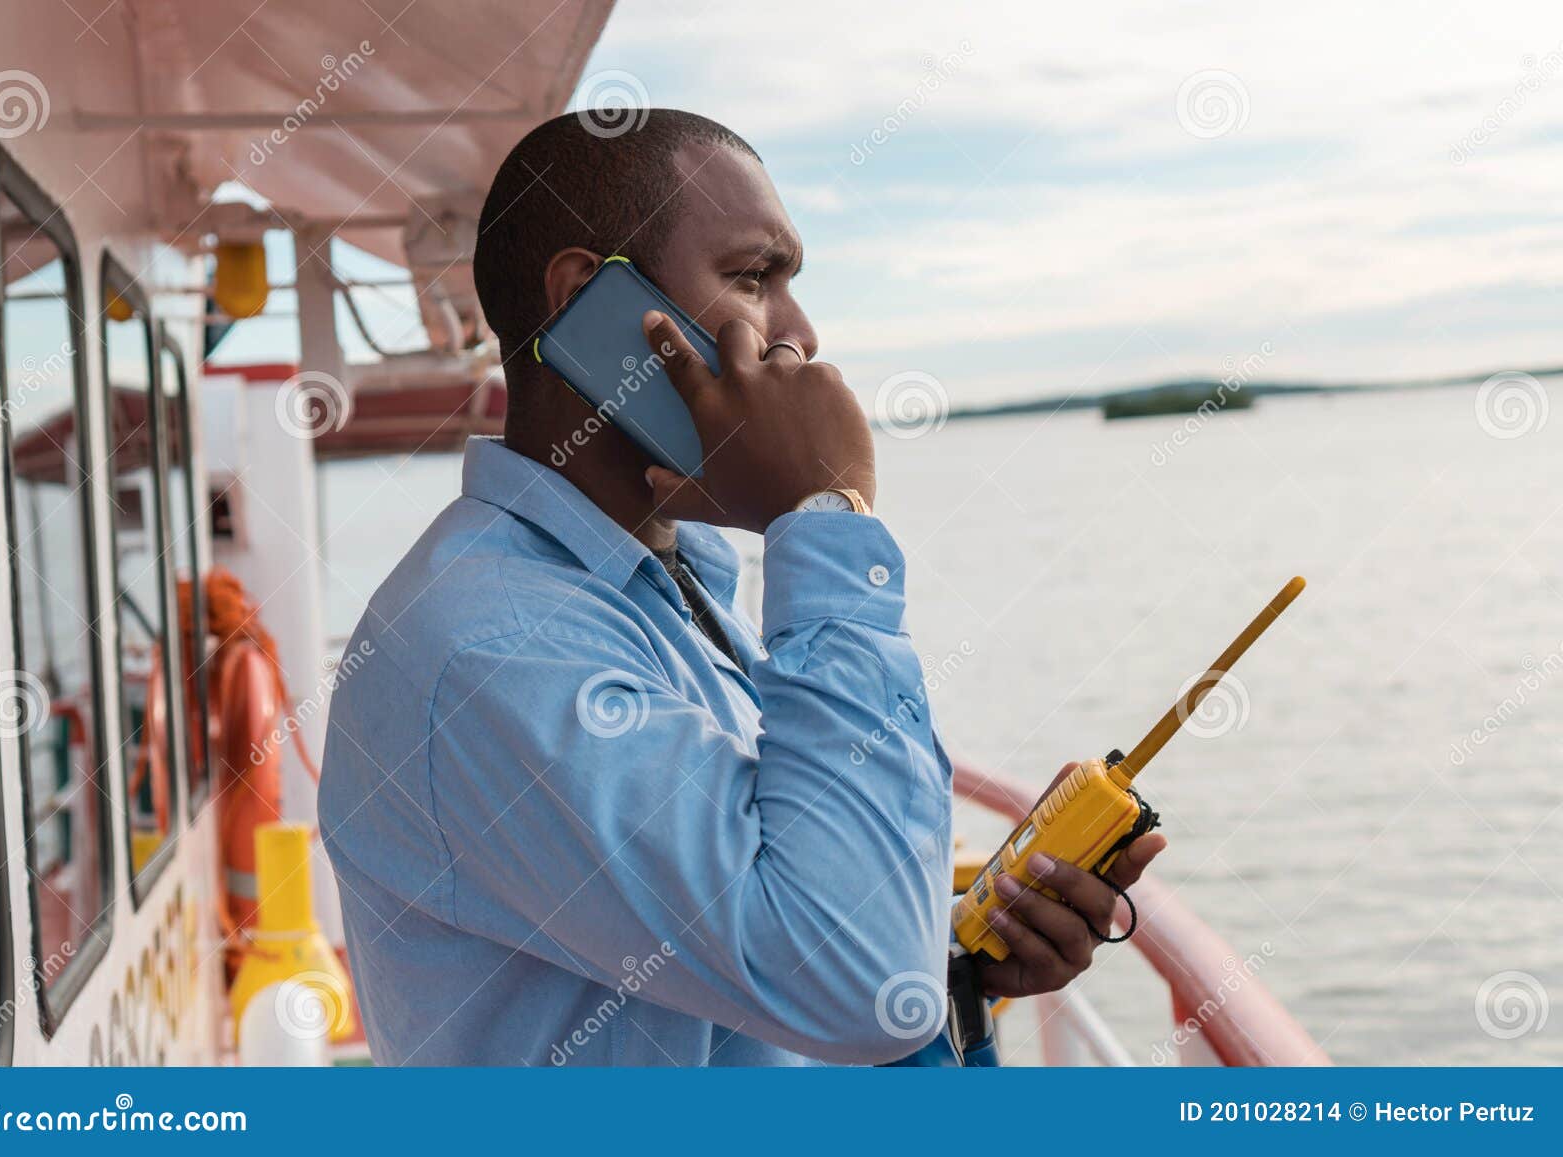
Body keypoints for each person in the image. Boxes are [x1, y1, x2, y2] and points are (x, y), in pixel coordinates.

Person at [318, 109, 1164, 1066]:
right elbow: (850, 985)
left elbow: (769, 946)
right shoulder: (490, 645)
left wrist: (951, 951)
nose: (798, 335)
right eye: (755, 278)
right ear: (586, 308)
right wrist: (825, 514)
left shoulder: (663, 587)